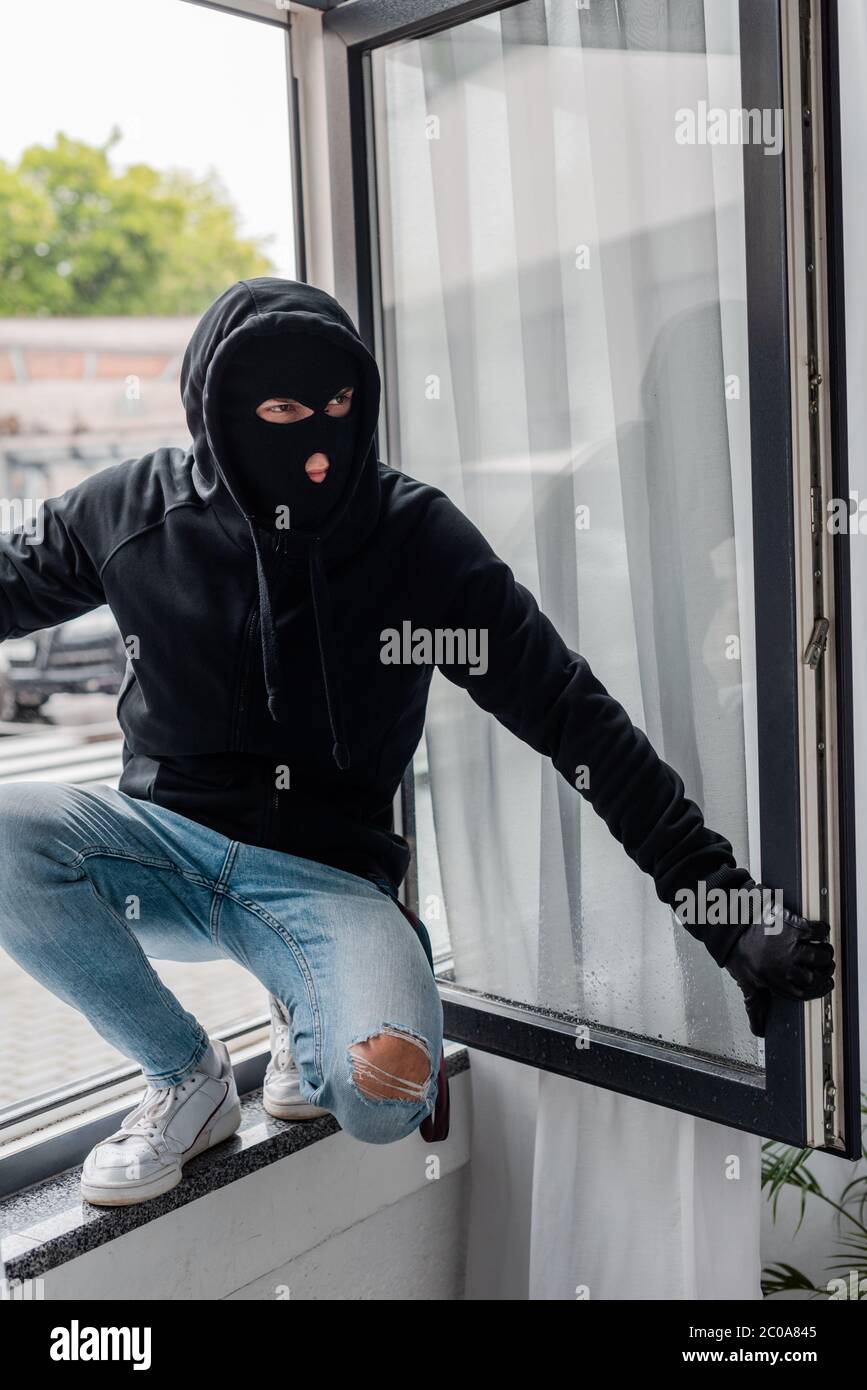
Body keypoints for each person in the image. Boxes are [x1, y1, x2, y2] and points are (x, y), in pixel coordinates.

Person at [0, 278, 834, 1207]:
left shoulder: (414, 539)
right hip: (159, 857)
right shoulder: (131, 513)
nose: (313, 440)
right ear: (217, 414)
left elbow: (570, 712)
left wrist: (717, 902)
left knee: (381, 1091)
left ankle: (309, 999)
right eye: (279, 409)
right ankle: (182, 1076)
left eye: (337, 406)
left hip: (328, 884)